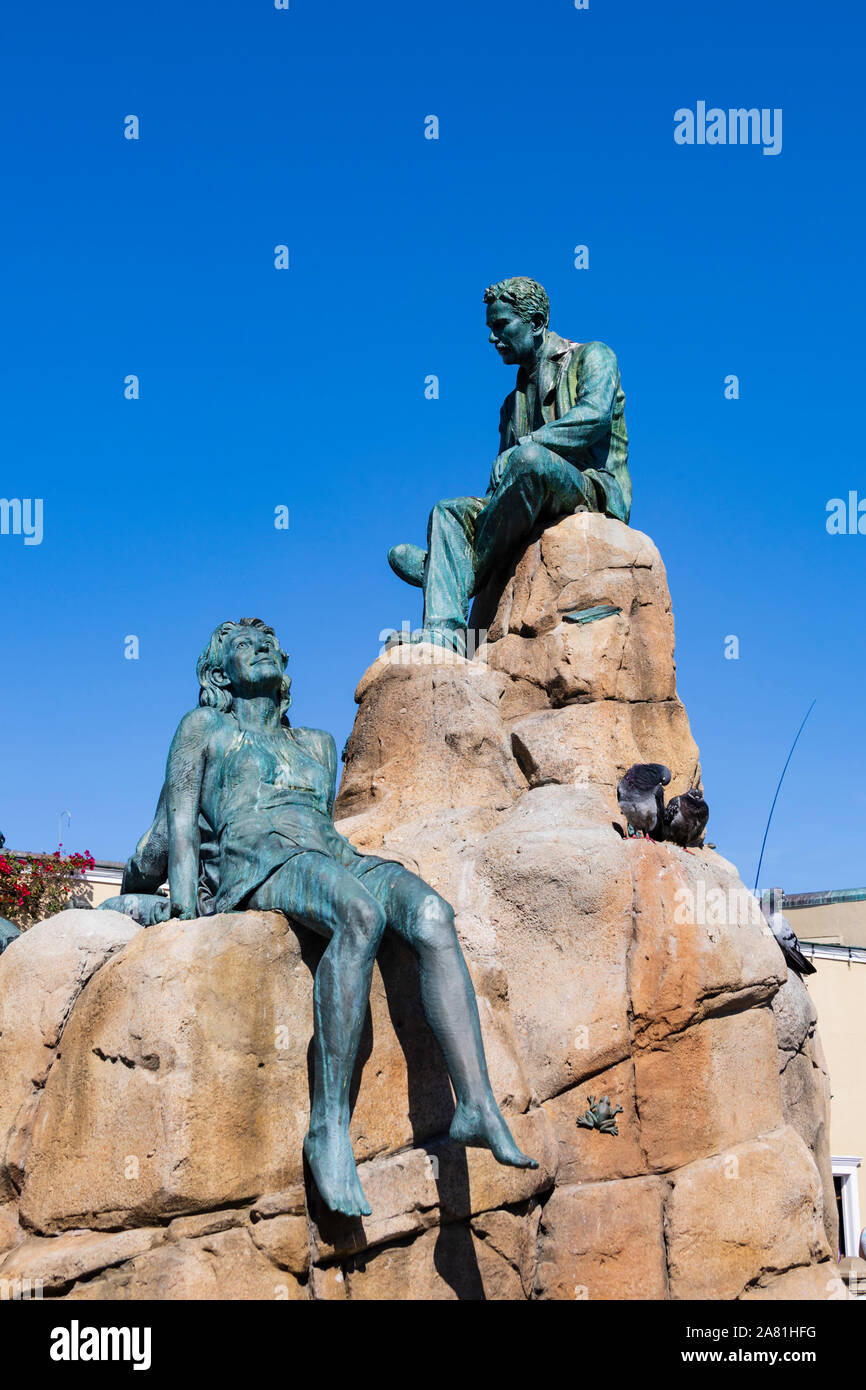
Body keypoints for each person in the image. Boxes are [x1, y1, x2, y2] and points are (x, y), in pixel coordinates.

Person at [120, 617, 536, 1216]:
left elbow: (324, 832)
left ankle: (476, 1103)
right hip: (258, 860)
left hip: (329, 855)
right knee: (359, 914)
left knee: (432, 914)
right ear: (219, 675)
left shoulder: (316, 744)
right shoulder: (203, 728)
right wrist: (184, 910)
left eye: (269, 642)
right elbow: (180, 825)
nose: (262, 648)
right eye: (244, 645)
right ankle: (328, 1128)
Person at [388, 276, 631, 654]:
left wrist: (528, 445)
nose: (492, 338)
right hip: (530, 486)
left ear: (536, 323)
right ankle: (444, 631)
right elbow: (503, 485)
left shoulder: (593, 355)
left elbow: (593, 417)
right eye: (490, 327)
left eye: (501, 325)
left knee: (530, 460)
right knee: (448, 512)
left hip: (588, 487)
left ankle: (456, 571)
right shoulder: (510, 404)